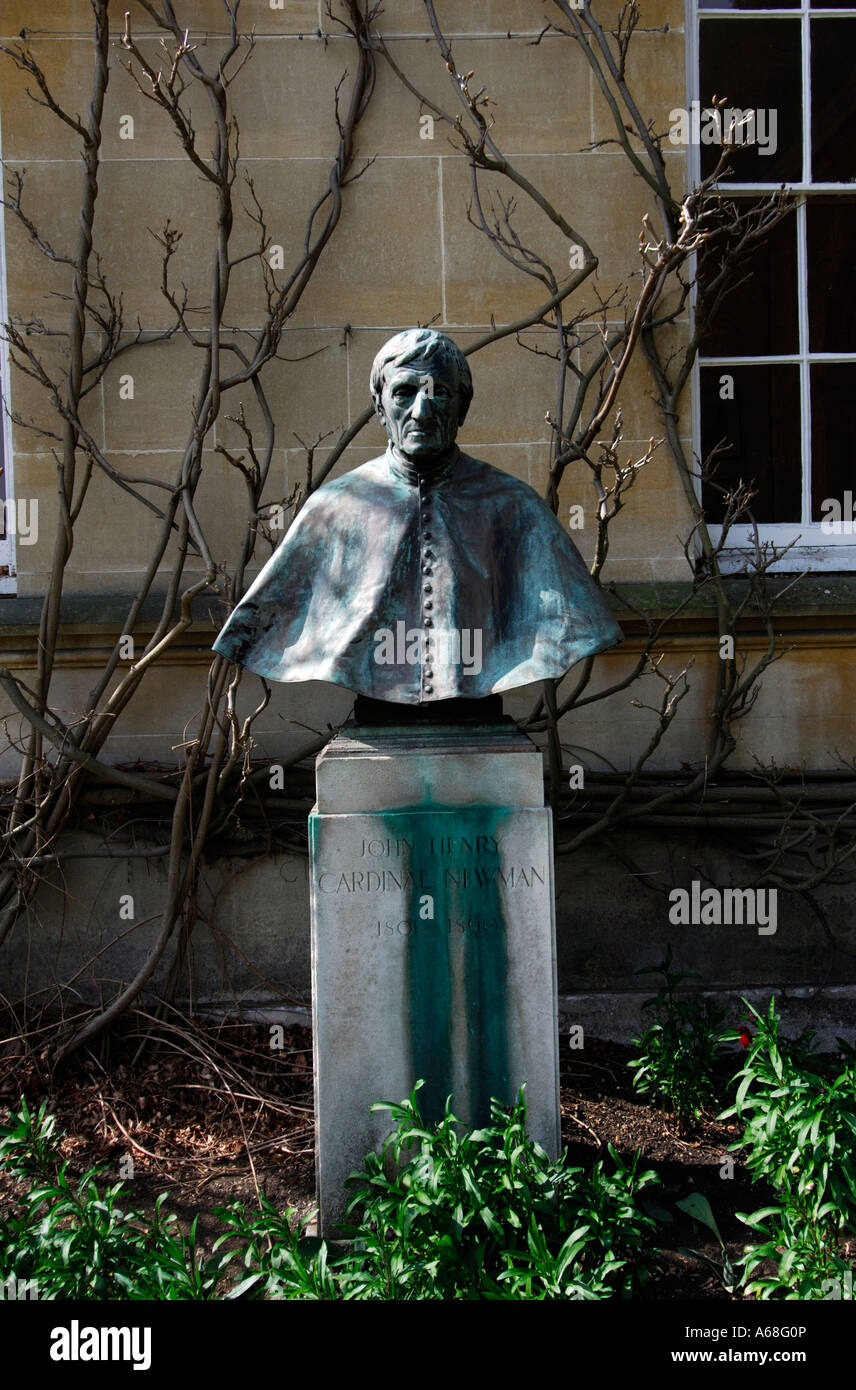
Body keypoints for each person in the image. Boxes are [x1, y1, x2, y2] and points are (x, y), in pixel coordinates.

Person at [212, 328, 622, 703]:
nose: (422, 411)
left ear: (462, 407)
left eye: (439, 392)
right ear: (380, 405)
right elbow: (262, 626)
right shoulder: (332, 510)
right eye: (405, 392)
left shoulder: (516, 508)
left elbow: (578, 622)